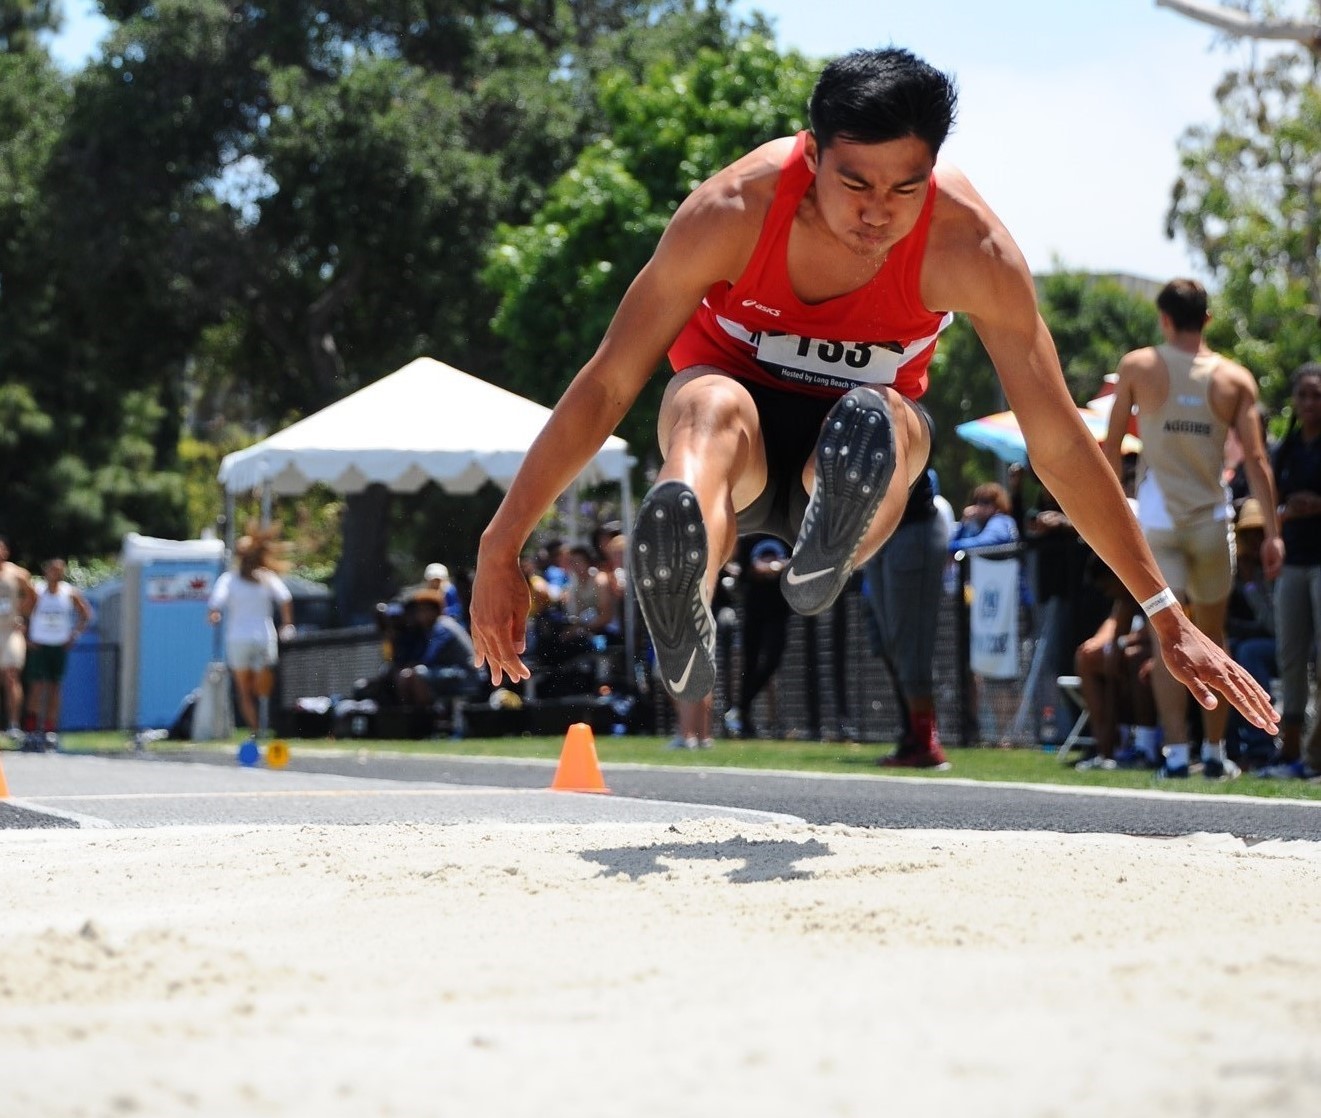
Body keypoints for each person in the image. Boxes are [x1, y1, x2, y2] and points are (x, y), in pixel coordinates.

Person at [470, 47, 1279, 746]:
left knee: (886, 417)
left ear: (933, 168)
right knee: (704, 403)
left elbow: (1061, 442)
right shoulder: (731, 211)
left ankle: (834, 549)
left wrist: (1164, 611)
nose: (877, 213)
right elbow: (610, 378)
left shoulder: (971, 247)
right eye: (855, 182)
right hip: (737, 444)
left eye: (906, 188)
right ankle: (686, 584)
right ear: (811, 153)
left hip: (852, 461)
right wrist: (499, 546)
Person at [1102, 278, 1283, 779]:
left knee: (1170, 636)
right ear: (1206, 319)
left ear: (1164, 319)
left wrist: (1105, 517)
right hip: (1211, 522)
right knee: (1214, 636)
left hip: (1158, 522)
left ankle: (1177, 752)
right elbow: (1257, 458)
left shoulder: (1140, 365)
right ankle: (1216, 751)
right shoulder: (1234, 378)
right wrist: (1272, 533)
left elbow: (1111, 446)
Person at [863, 467, 951, 767]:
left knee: (910, 641)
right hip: (877, 531)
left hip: (913, 526)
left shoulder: (906, 418)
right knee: (890, 643)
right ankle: (913, 736)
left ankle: (926, 741)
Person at [1261, 362, 1321, 779]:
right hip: (1294, 562)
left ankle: (1316, 757)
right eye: (1303, 395)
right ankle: (1291, 752)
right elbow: (1267, 503)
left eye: (1317, 395)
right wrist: (1285, 511)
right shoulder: (1287, 448)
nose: (1310, 402)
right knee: (1291, 658)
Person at [207, 529, 295, 737]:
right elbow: (285, 598)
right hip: (264, 637)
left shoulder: (229, 579)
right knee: (262, 687)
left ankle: (256, 730)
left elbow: (214, 604)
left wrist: (214, 616)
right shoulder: (267, 578)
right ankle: (263, 720)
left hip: (237, 639)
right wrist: (287, 623)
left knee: (244, 692)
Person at [1223, 498, 1278, 770]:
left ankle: (1260, 745)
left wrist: (1251, 587)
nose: (1255, 541)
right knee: (1224, 655)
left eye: (1260, 533)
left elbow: (1274, 624)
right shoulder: (1231, 566)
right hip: (1242, 642)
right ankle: (1228, 748)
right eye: (1248, 534)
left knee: (1248, 652)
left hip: (1282, 646)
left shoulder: (1273, 569)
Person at [21, 558, 92, 750]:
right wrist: (27, 637)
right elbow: (24, 612)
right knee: (36, 687)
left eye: (59, 571)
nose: (55, 574)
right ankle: (30, 729)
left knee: (54, 687)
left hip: (58, 644)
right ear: (46, 571)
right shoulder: (38, 591)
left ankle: (50, 729)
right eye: (52, 570)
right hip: (40, 643)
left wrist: (74, 634)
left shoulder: (69, 593)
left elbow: (86, 613)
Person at [726, 534, 792, 739]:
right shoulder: (749, 537)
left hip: (779, 610)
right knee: (749, 664)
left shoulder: (787, 531)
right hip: (753, 610)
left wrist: (779, 566)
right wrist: (758, 570)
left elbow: (798, 563)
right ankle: (743, 719)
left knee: (773, 660)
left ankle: (740, 706)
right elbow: (742, 571)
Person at [394, 589, 482, 711]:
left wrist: (410, 667)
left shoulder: (442, 627)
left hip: (466, 676)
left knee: (418, 673)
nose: (420, 615)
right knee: (407, 675)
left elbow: (428, 658)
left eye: (424, 610)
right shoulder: (429, 629)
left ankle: (428, 718)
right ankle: (411, 720)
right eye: (419, 611)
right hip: (451, 672)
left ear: (435, 610)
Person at [0, 537, 34, 740]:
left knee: (11, 675)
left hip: (10, 630)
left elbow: (32, 595)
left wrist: (21, 614)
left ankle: (14, 724)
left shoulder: (17, 574)